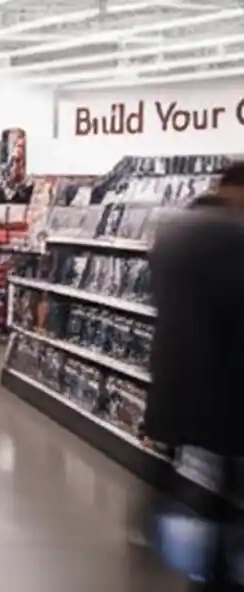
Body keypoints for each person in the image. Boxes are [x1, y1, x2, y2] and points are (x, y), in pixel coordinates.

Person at [144, 164, 244, 591]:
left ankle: (178, 542)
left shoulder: (175, 231)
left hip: (178, 375)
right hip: (221, 384)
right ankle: (213, 569)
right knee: (217, 478)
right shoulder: (230, 239)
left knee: (190, 469)